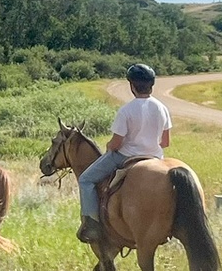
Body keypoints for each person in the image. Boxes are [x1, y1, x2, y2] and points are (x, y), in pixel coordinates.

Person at [74, 64, 172, 243]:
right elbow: (165, 142)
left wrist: (109, 145)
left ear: (132, 86)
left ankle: (92, 225)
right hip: (155, 157)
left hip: (126, 156)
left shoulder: (126, 110)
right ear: (151, 85)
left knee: (86, 180)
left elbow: (116, 144)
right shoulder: (162, 108)